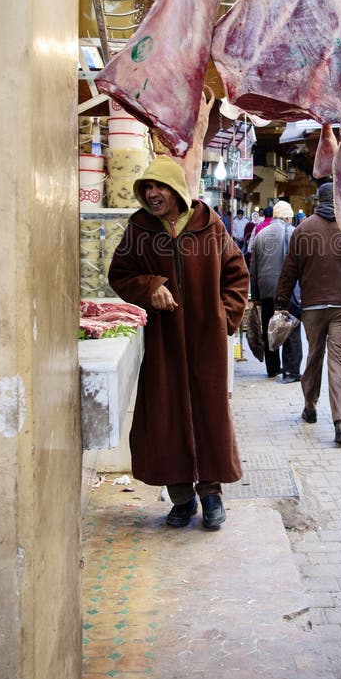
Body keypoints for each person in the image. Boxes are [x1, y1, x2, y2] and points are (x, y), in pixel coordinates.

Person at [108, 156, 249, 530]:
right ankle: (181, 498)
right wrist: (150, 287)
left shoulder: (209, 224)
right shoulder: (140, 228)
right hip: (164, 340)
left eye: (160, 187)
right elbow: (120, 274)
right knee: (166, 415)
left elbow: (237, 274)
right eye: (147, 188)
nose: (153, 194)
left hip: (206, 339)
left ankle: (212, 495)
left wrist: (225, 316)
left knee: (209, 413)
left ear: (176, 191)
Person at [275, 182, 341, 445]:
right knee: (339, 362)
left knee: (314, 356)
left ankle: (309, 406)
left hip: (313, 308)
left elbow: (289, 271)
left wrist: (281, 304)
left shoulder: (303, 229)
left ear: (317, 201)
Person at [249, 200, 303, 381]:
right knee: (291, 328)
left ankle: (272, 369)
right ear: (288, 217)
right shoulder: (294, 232)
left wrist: (255, 295)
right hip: (288, 291)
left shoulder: (260, 235)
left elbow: (254, 269)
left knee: (269, 328)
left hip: (265, 291)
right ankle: (291, 371)